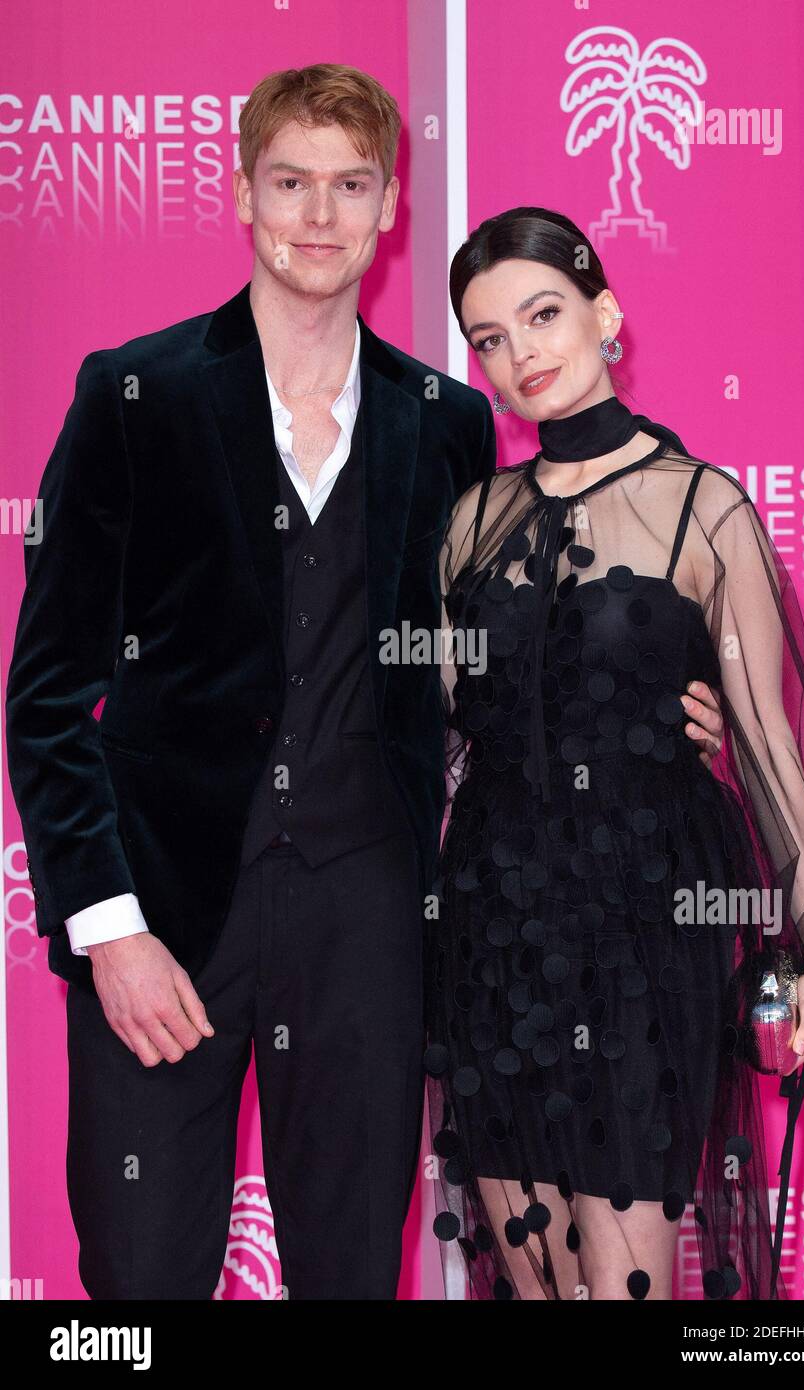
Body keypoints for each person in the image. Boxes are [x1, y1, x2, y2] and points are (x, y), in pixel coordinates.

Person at [4, 64, 722, 1301]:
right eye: (291, 182)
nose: (320, 216)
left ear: (390, 206)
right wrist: (108, 930)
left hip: (371, 925)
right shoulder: (135, 392)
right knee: (135, 1281)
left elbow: (485, 658)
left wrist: (658, 703)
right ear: (241, 193)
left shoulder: (441, 419)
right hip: (166, 923)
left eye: (350, 186)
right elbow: (46, 695)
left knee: (350, 1272)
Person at [424, 206, 804, 1302]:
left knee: (621, 1289)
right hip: (492, 935)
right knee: (534, 1288)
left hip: (643, 926)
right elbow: (434, 743)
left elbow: (765, 743)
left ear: (604, 314)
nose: (520, 351)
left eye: (542, 314)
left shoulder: (704, 509)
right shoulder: (468, 521)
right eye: (488, 336)